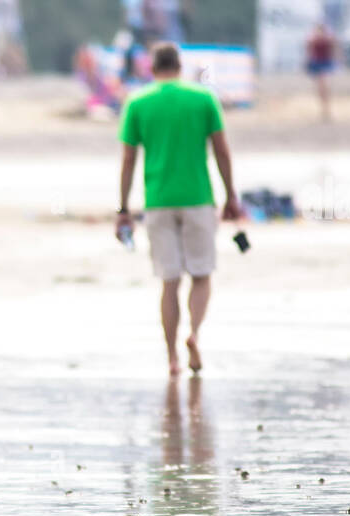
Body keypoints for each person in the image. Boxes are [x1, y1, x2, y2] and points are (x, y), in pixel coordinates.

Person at [116, 43, 240, 377]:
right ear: (179, 66)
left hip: (158, 201)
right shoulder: (203, 99)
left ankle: (172, 359)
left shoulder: (138, 103)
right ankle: (194, 334)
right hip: (198, 198)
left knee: (169, 282)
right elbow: (221, 151)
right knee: (201, 275)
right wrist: (231, 196)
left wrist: (122, 208)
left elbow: (128, 159)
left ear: (152, 68)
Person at [306, 24, 337, 122]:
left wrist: (336, 60)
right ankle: (324, 108)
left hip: (325, 63)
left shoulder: (328, 39)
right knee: (320, 88)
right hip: (317, 63)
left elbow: (334, 50)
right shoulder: (312, 39)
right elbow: (309, 52)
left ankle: (326, 108)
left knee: (324, 84)